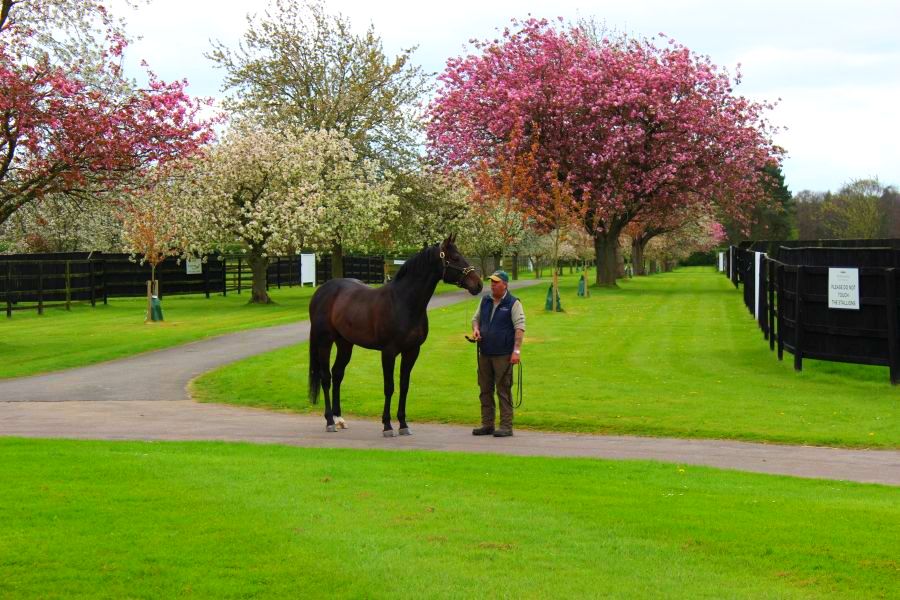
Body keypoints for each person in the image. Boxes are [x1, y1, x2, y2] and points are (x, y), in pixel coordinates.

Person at [471, 270, 525, 437]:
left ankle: (506, 426)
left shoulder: (513, 302)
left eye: (496, 282)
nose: (492, 285)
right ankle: (487, 424)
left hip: (503, 354)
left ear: (505, 284)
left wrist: (516, 351)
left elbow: (520, 328)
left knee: (503, 390)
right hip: (485, 352)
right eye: (491, 282)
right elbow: (475, 319)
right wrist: (476, 330)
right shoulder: (485, 300)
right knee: (485, 390)